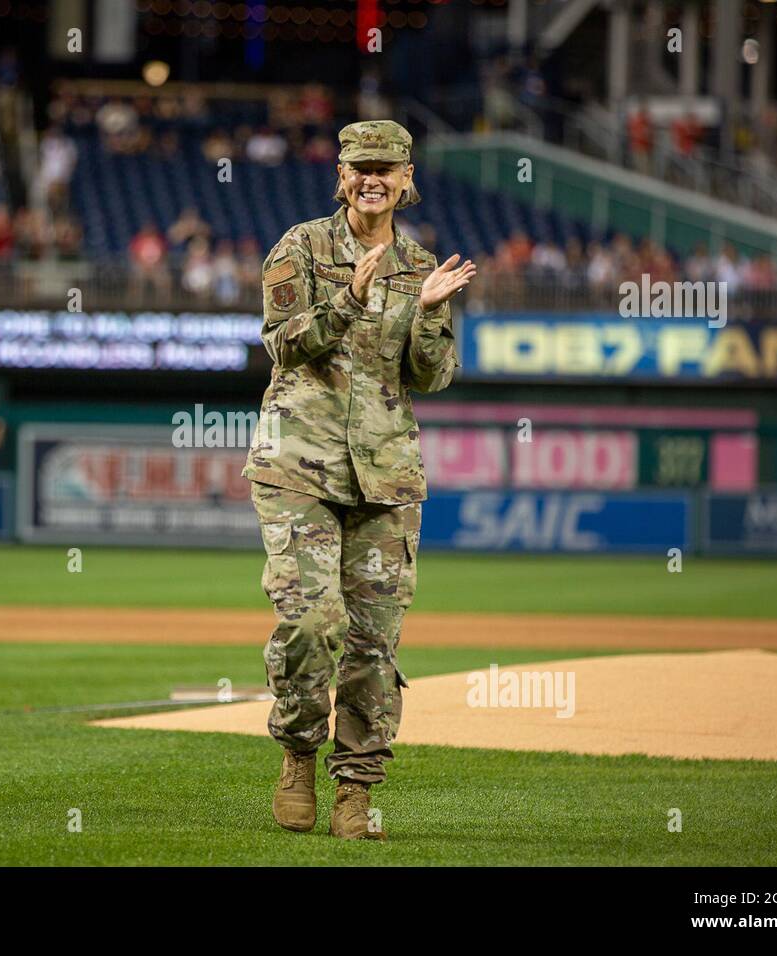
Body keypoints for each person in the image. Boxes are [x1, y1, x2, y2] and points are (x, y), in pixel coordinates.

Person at [242, 121, 474, 840]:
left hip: (386, 475)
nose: (373, 178)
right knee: (313, 622)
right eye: (360, 166)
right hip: (298, 466)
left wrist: (433, 314)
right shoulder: (300, 246)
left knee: (375, 644)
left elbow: (431, 377)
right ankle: (296, 755)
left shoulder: (422, 262)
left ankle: (356, 792)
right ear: (341, 175)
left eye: (388, 167)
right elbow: (280, 343)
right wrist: (350, 298)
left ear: (408, 179)